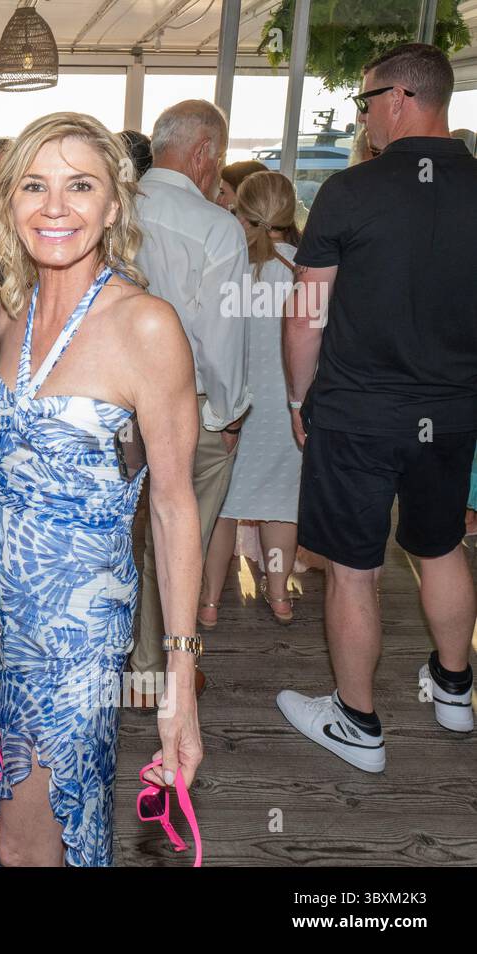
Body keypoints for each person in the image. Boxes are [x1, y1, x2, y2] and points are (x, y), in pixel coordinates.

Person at [0, 113, 203, 867]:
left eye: (80, 185)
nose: (55, 206)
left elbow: (172, 507)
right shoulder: (7, 314)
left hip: (77, 638)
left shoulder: (147, 327)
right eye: (35, 185)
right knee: (12, 822)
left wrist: (179, 679)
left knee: (30, 834)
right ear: (8, 202)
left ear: (111, 206)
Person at [279, 43, 477, 769]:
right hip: (454, 411)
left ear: (398, 99)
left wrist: (300, 396)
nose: (362, 117)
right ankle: (455, 691)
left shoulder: (352, 191)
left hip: (359, 411)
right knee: (440, 544)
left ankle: (358, 725)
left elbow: (306, 315)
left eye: (365, 102)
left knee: (355, 567)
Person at [128, 99, 252, 705]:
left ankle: (110, 655)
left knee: (116, 534)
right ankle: (155, 668)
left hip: (109, 407)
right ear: (204, 153)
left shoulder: (110, 207)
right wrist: (227, 415)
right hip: (189, 408)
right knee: (180, 537)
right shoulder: (217, 227)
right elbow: (223, 338)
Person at [200, 172, 303, 628]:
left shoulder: (232, 269)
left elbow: (215, 343)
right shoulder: (307, 271)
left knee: (223, 507)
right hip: (289, 409)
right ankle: (279, 595)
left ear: (242, 212)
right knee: (282, 505)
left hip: (235, 405)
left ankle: (208, 602)